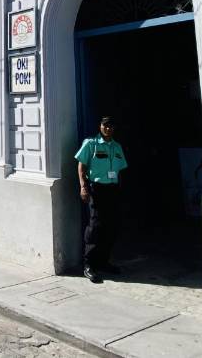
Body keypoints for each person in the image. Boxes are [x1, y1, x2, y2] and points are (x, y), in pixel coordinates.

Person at [75, 115, 128, 283]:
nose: (108, 128)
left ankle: (103, 262)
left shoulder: (117, 147)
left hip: (112, 189)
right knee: (95, 226)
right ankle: (88, 265)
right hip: (96, 189)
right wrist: (83, 187)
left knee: (112, 226)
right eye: (105, 125)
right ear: (100, 127)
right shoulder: (91, 144)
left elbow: (121, 171)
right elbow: (81, 166)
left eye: (111, 126)